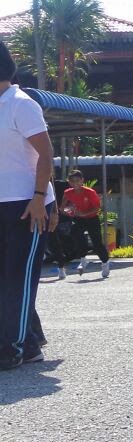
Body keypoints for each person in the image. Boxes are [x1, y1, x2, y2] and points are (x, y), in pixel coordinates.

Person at [0, 40, 55, 369]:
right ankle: (29, 343)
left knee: (18, 278)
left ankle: (12, 347)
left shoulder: (20, 104)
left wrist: (39, 198)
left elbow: (45, 154)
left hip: (26, 204)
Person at [61, 169, 112, 278]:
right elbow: (63, 207)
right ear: (69, 182)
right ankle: (83, 259)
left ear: (82, 180)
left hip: (92, 218)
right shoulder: (67, 192)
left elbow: (97, 207)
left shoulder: (90, 192)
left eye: (77, 180)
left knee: (97, 244)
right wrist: (67, 210)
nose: (75, 183)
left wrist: (84, 213)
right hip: (79, 218)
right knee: (75, 234)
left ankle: (105, 262)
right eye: (72, 181)